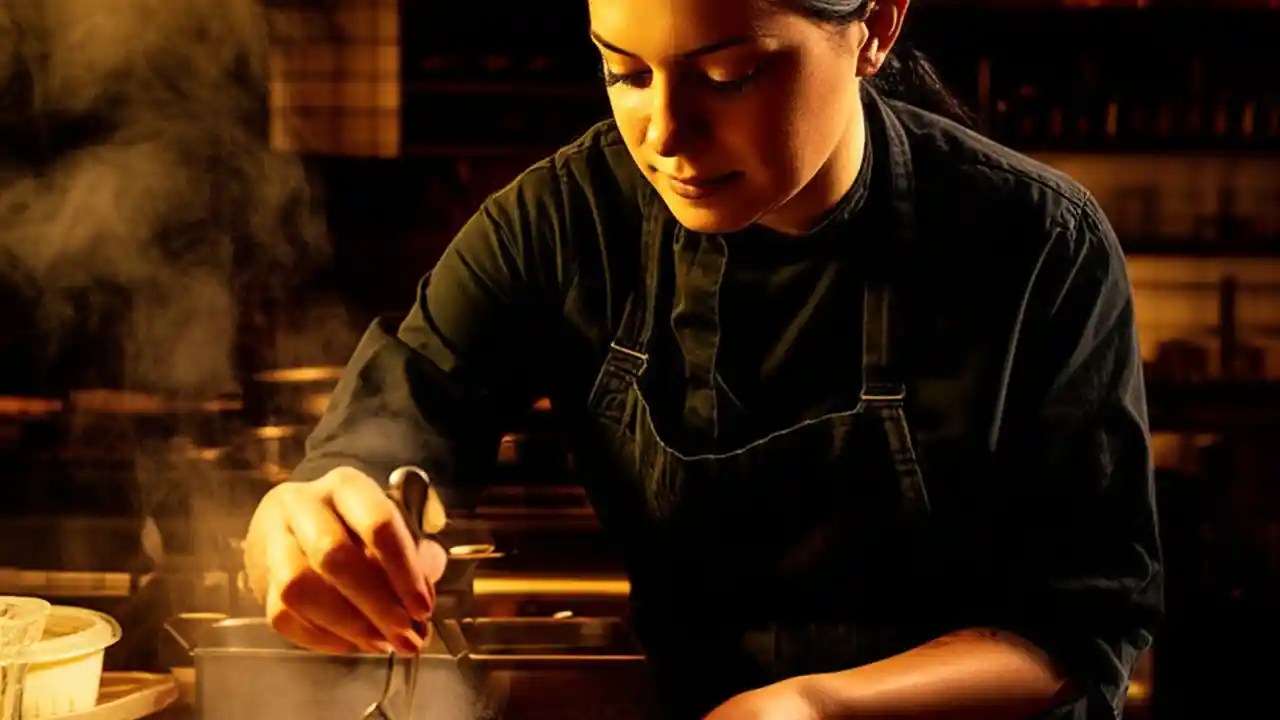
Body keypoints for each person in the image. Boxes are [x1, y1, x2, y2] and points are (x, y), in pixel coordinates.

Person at [241, 0, 1165, 718]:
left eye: (729, 74)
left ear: (876, 26)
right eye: (625, 73)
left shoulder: (1037, 242)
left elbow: (1082, 623)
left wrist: (817, 703)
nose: (667, 134)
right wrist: (305, 514)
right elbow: (400, 418)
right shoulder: (559, 224)